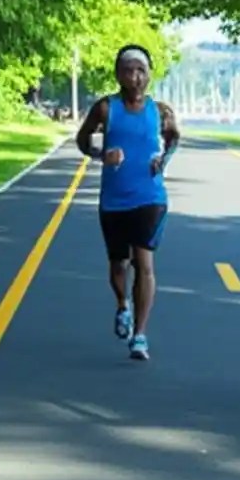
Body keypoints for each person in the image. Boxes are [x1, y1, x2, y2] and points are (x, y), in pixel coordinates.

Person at [75, 44, 180, 361]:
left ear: (149, 75)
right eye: (128, 70)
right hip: (114, 200)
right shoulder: (106, 109)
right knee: (118, 264)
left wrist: (164, 159)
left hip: (150, 198)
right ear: (118, 74)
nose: (134, 77)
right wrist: (100, 155)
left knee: (144, 264)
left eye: (140, 71)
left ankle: (140, 335)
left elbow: (174, 138)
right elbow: (82, 139)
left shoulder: (160, 111)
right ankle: (123, 305)